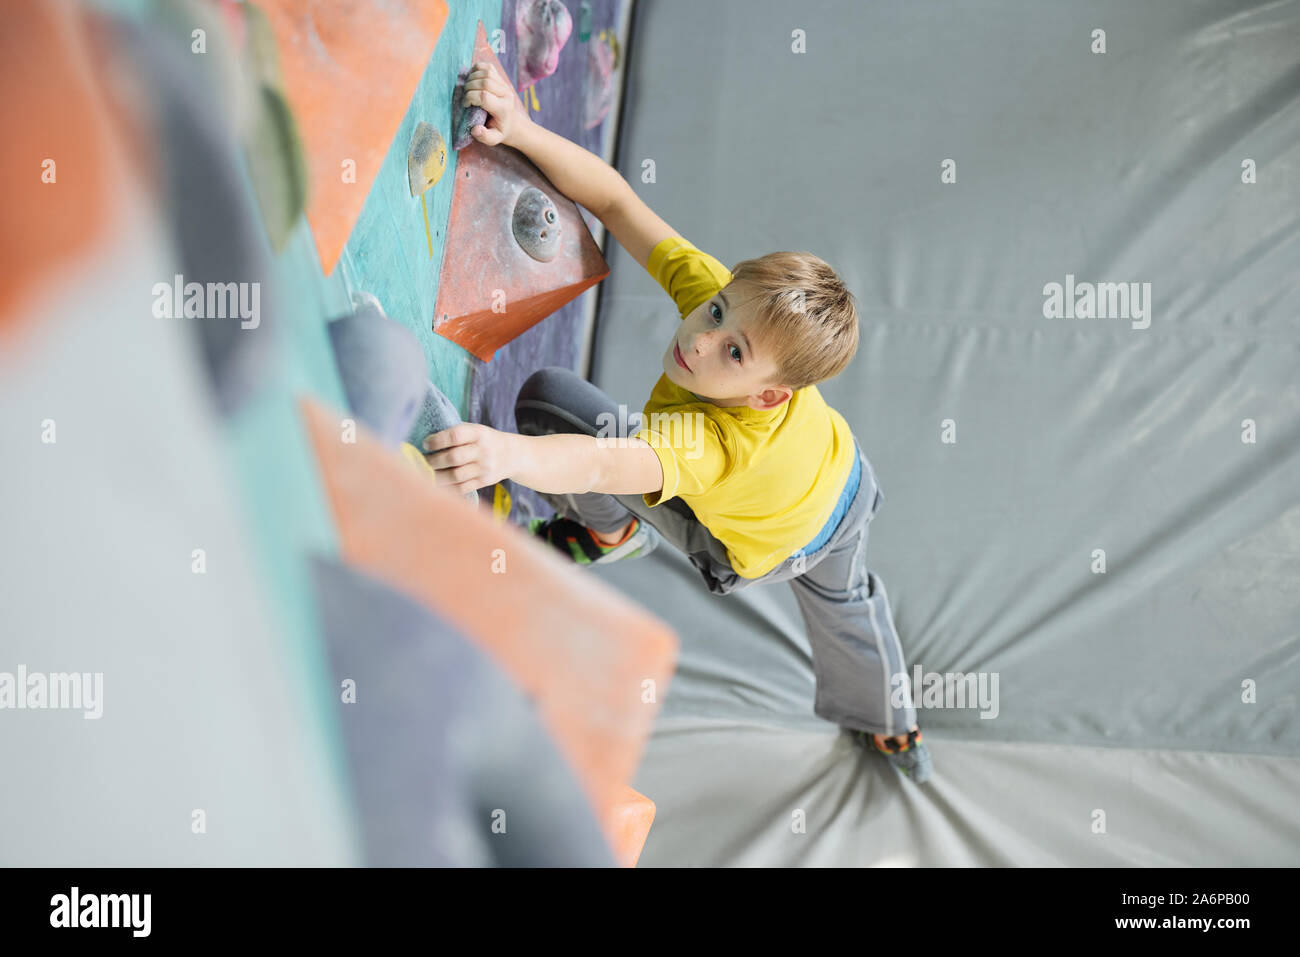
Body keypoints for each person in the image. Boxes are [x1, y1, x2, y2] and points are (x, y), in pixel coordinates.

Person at [422, 62, 930, 783]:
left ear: (767, 397)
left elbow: (599, 465)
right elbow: (619, 202)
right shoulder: (721, 304)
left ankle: (891, 725)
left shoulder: (708, 447)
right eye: (717, 311)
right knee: (548, 400)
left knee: (848, 615)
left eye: (732, 352)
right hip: (843, 472)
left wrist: (500, 453)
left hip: (797, 532)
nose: (698, 338)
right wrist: (525, 128)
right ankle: (612, 530)